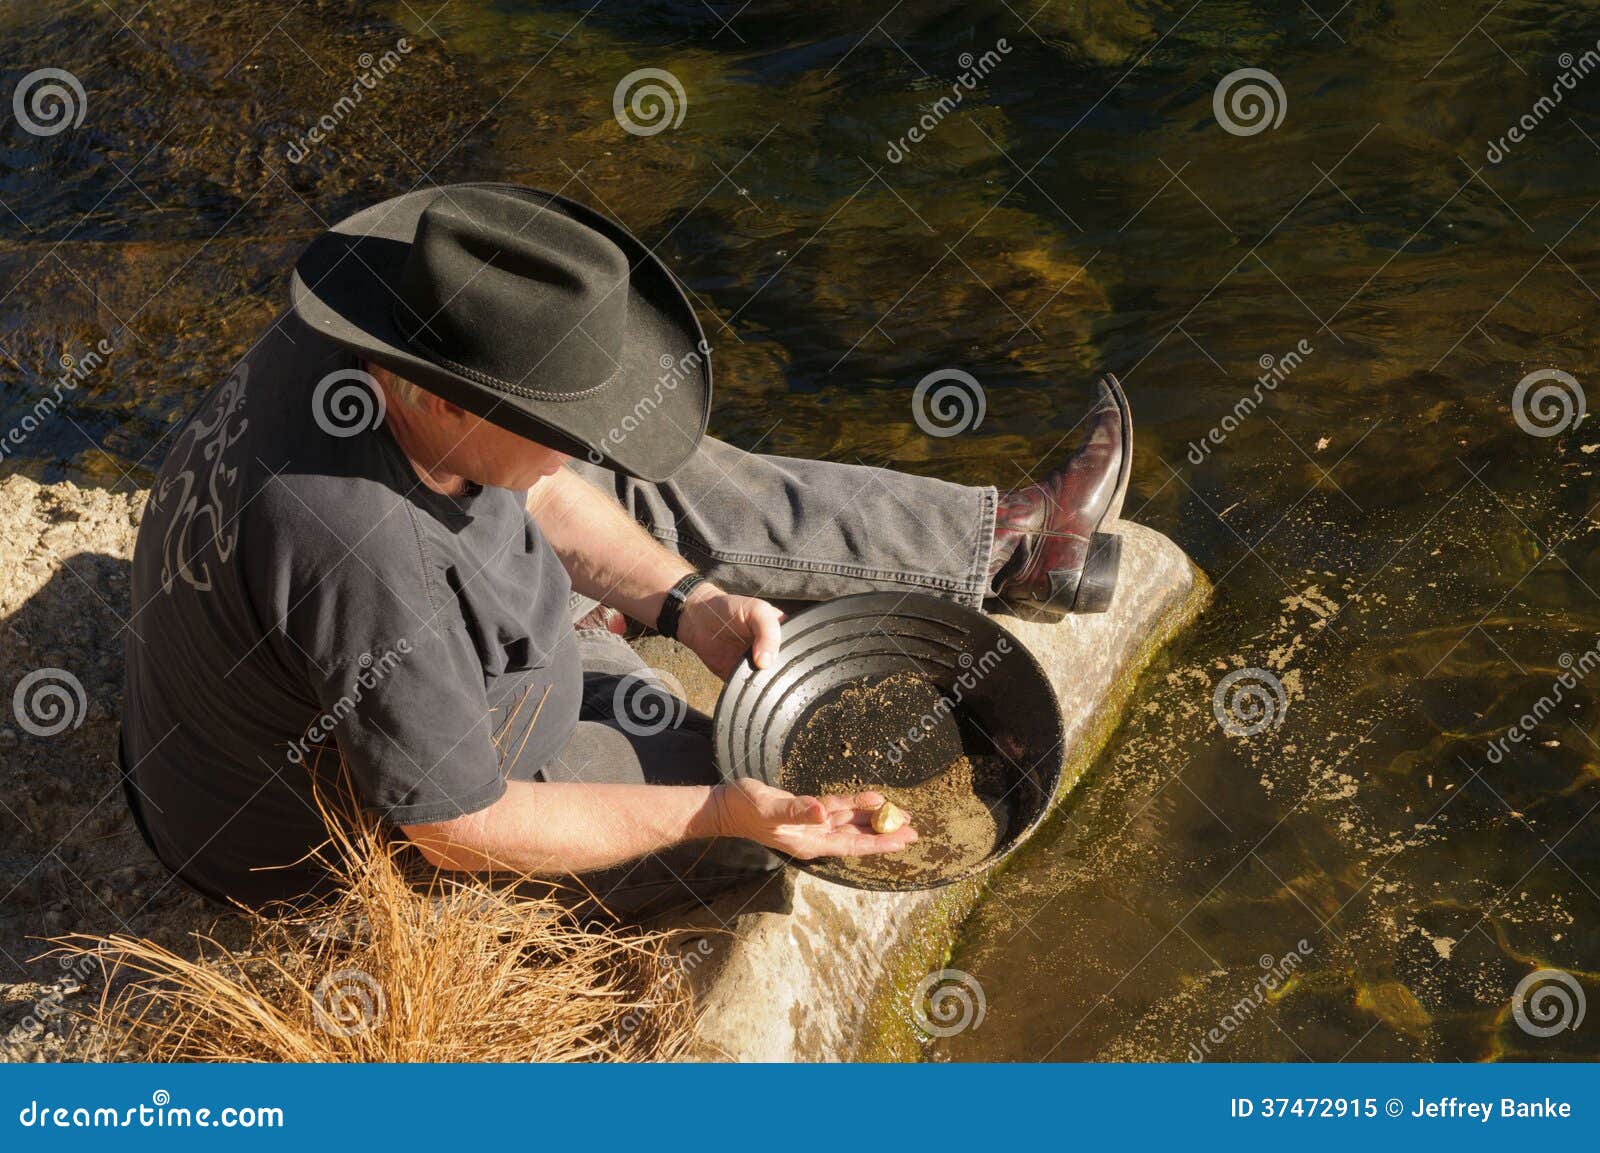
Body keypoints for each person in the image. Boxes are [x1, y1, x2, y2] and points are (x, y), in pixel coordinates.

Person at [118, 183, 1131, 913]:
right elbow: (458, 827)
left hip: (406, 668)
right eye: (553, 421)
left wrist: (687, 603)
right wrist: (726, 813)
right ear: (434, 391)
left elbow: (551, 479)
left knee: (637, 472)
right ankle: (687, 759)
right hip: (340, 835)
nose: (582, 444)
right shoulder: (372, 563)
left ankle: (1016, 546)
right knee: (768, 824)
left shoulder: (369, 327)